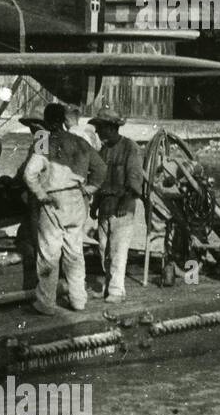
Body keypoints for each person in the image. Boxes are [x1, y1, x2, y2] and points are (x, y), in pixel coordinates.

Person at [21, 103, 107, 315]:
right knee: (75, 252)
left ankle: (46, 302)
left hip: (53, 199)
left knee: (49, 252)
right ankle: (78, 300)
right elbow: (101, 168)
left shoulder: (43, 141)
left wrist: (41, 195)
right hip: (76, 198)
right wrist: (90, 188)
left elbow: (29, 173)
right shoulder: (79, 141)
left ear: (47, 122)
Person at [89, 107, 144, 302]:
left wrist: (125, 201)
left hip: (123, 205)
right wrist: (95, 205)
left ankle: (116, 291)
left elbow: (135, 178)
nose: (97, 132)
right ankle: (107, 286)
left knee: (118, 249)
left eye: (100, 128)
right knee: (103, 248)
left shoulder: (131, 148)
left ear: (111, 128)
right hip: (105, 204)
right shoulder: (102, 151)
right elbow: (98, 179)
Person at [13, 114, 46, 292]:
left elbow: (32, 170)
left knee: (37, 237)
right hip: (40, 194)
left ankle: (39, 281)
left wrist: (20, 181)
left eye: (34, 126)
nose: (32, 130)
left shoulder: (43, 139)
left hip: (38, 195)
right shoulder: (41, 140)